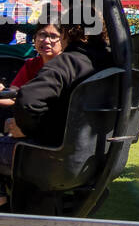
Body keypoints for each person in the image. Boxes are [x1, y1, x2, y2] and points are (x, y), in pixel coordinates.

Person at [0, 21, 113, 205]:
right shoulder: (111, 64)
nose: (50, 40)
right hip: (96, 155)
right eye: (43, 35)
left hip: (55, 156)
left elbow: (27, 100)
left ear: (67, 34)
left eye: (56, 35)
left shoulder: (66, 63)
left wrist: (29, 130)